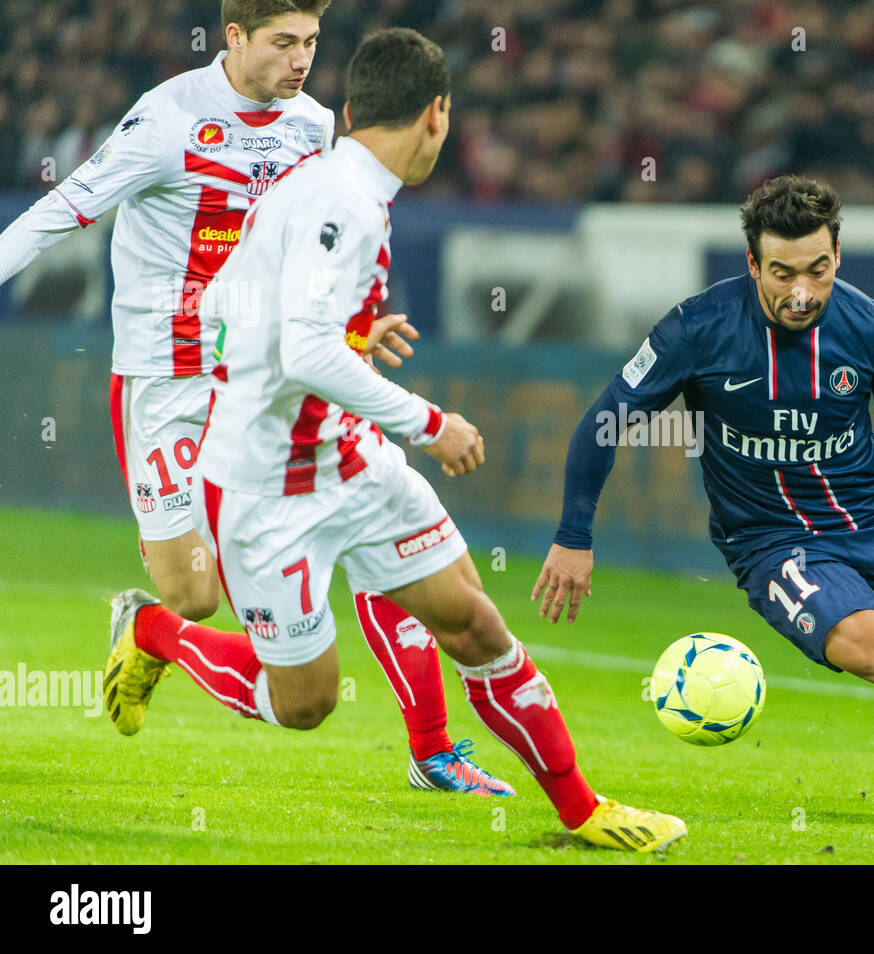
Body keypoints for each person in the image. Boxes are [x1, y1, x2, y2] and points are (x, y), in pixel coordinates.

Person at [105, 27, 686, 852]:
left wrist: (346, 338)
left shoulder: (333, 185)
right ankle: (156, 633)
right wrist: (429, 422)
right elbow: (296, 346)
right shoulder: (342, 199)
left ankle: (583, 810)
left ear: (349, 109)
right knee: (303, 703)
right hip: (267, 489)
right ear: (438, 116)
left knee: (474, 625)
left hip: (352, 463)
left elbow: (230, 305)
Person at [0, 0, 510, 795]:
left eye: (311, 42)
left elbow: (318, 246)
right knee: (192, 593)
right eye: (283, 42)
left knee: (369, 526)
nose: (302, 59)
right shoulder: (168, 121)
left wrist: (352, 330)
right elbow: (64, 208)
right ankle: (152, 626)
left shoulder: (312, 126)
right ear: (233, 38)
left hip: (268, 377)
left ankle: (433, 748)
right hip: (166, 376)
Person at [534, 175, 874, 828]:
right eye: (783, 272)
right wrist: (574, 535)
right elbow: (605, 421)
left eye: (818, 270)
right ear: (752, 265)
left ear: (838, 257)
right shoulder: (696, 329)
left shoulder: (870, 327)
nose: (801, 292)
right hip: (774, 542)